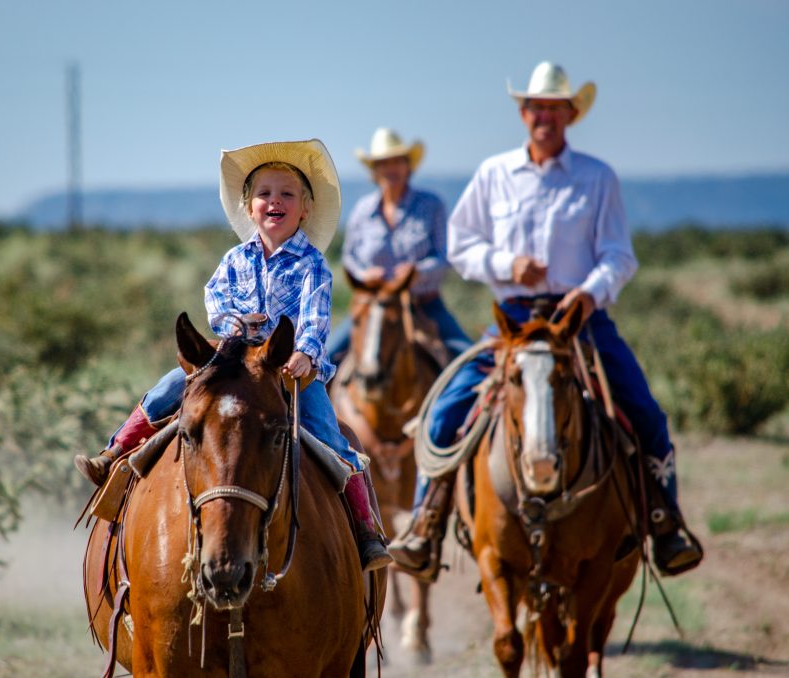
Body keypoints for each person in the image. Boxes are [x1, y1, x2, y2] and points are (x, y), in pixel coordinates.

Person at [388, 62, 703, 577]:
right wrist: (505, 265)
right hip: (512, 322)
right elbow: (461, 245)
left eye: (555, 108)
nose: (545, 116)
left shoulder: (597, 177)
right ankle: (424, 526)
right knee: (443, 413)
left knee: (645, 413)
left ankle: (666, 523)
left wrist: (589, 292)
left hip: (580, 321)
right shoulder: (494, 174)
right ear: (523, 112)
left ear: (571, 114)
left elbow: (619, 255)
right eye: (537, 107)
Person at [74, 139, 392, 572]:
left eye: (286, 194)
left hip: (290, 374)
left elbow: (316, 315)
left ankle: (365, 530)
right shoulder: (234, 259)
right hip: (233, 361)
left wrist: (306, 354)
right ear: (248, 207)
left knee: (332, 440)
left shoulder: (312, 264)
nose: (274, 202)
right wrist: (234, 325)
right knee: (171, 385)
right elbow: (214, 301)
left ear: (305, 209)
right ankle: (114, 455)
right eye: (264, 193)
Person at [327, 128, 472, 365]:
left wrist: (418, 271)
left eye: (397, 161)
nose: (391, 168)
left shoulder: (431, 205)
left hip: (424, 305)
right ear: (375, 170)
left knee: (469, 358)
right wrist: (365, 275)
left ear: (408, 166)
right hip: (372, 304)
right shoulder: (363, 210)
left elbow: (444, 256)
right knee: (326, 358)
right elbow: (350, 257)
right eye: (383, 163)